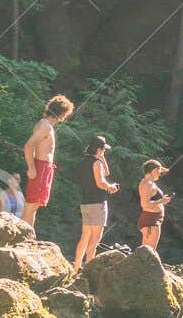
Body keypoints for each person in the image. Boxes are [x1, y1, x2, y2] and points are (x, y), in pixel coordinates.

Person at [22, 94, 74, 228]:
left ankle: (27, 236)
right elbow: (28, 145)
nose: (65, 117)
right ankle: (20, 236)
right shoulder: (45, 125)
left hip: (45, 168)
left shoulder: (47, 125)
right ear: (61, 112)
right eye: (65, 114)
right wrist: (32, 168)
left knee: (35, 205)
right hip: (40, 166)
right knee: (31, 204)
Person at [72, 136, 120, 272]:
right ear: (99, 149)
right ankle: (88, 268)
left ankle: (76, 267)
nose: (104, 152)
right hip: (98, 203)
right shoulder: (96, 163)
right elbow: (100, 182)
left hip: (85, 202)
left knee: (85, 236)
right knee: (95, 238)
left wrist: (100, 156)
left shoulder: (84, 161)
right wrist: (111, 187)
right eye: (103, 149)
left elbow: (107, 172)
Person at [136, 160, 172, 251]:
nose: (160, 174)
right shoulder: (147, 184)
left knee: (149, 251)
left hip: (154, 220)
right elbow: (144, 204)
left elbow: (157, 169)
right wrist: (161, 200)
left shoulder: (150, 182)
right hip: (150, 221)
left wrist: (162, 169)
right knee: (148, 252)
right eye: (159, 172)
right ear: (154, 170)